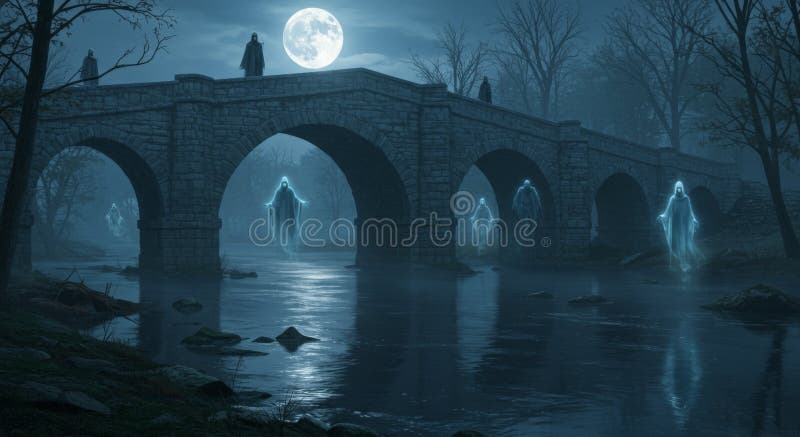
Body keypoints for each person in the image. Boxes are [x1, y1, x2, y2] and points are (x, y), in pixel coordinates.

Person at [657, 181, 702, 272]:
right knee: (675, 243)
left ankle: (685, 263)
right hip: (675, 226)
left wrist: (693, 220)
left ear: (682, 188)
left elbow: (690, 212)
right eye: (677, 188)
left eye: (680, 188)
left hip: (684, 226)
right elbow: (668, 212)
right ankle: (676, 264)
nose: (678, 190)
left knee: (683, 244)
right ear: (675, 189)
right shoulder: (672, 199)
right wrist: (662, 216)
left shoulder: (686, 199)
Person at [266, 177, 305, 249]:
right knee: (279, 226)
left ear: (287, 183)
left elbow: (295, 199)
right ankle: (279, 242)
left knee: (291, 225)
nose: (284, 184)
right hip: (280, 214)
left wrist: (300, 202)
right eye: (283, 183)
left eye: (285, 183)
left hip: (290, 212)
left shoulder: (290, 191)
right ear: (281, 183)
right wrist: (270, 204)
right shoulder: (278, 192)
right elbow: (275, 201)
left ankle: (292, 242)